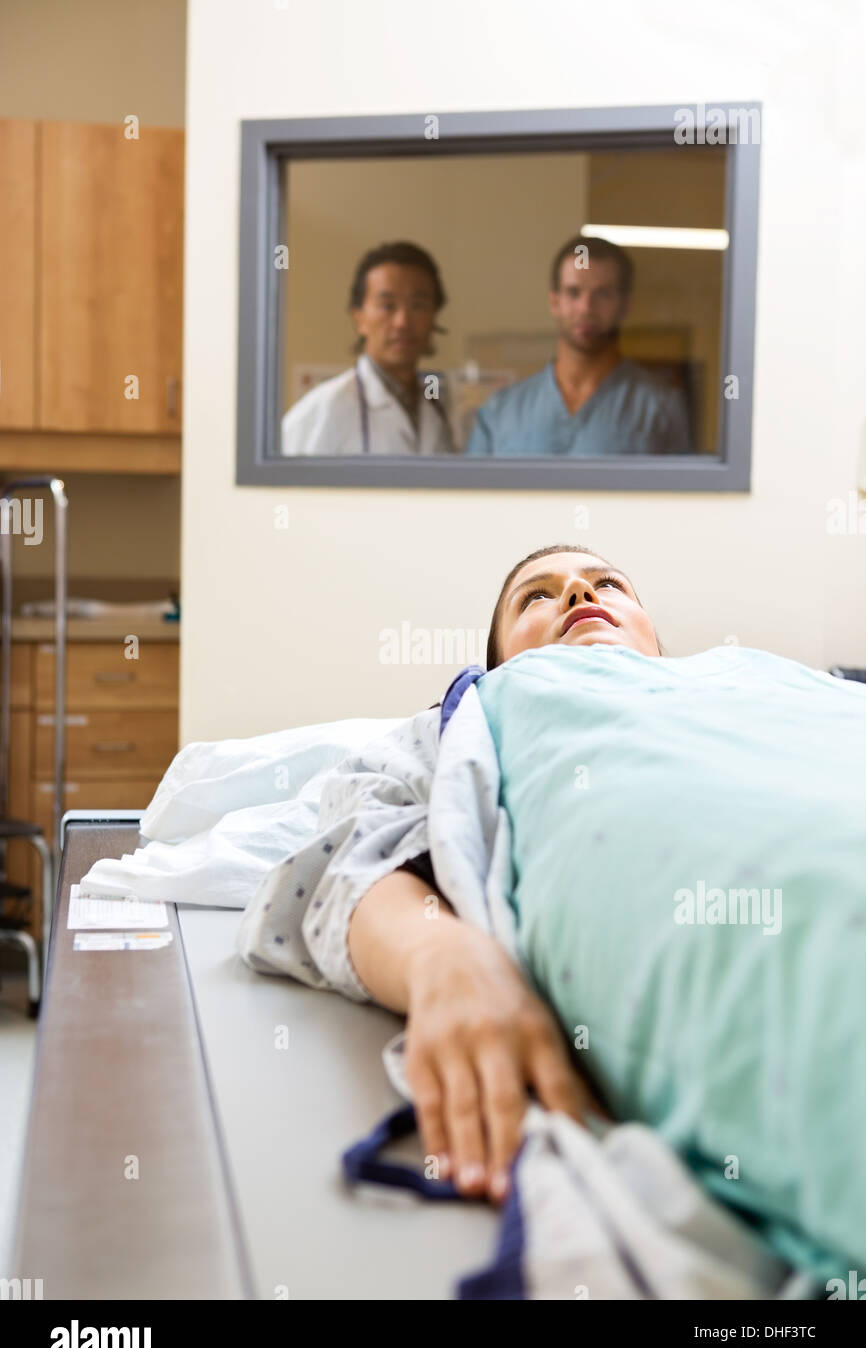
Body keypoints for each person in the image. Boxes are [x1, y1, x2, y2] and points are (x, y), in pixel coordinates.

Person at [239, 545, 866, 1282]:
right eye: (536, 598)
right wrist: (445, 958)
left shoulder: (774, 678)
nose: (577, 590)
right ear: (500, 662)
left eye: (607, 584)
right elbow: (339, 864)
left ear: (654, 634)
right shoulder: (490, 708)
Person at [466, 237, 691, 456]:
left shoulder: (660, 410)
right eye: (573, 293)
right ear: (554, 302)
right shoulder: (501, 412)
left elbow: (683, 492)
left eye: (603, 294)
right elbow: (471, 491)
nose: (586, 308)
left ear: (625, 306)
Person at [280, 241, 454, 455]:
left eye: (418, 305)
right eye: (387, 306)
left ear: (434, 317)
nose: (402, 322)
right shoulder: (321, 410)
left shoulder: (439, 409)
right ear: (359, 318)